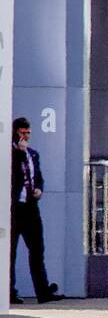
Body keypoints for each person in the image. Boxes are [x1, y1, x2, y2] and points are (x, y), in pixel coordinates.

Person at [10, 118, 62, 304]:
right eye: (22, 133)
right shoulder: (11, 154)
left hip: (31, 207)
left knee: (37, 250)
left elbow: (38, 176)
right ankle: (9, 290)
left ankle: (43, 291)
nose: (25, 137)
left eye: (28, 133)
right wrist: (20, 153)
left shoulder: (33, 155)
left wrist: (39, 188)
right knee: (11, 251)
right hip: (14, 208)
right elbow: (13, 173)